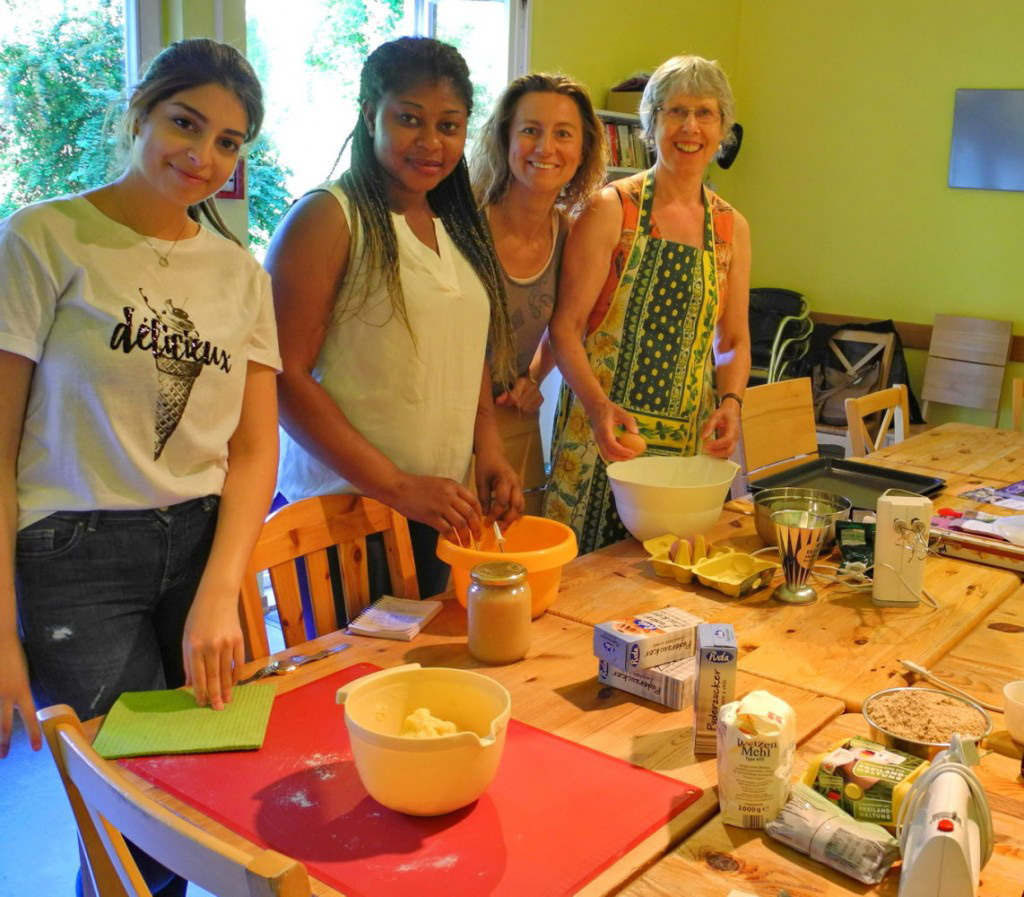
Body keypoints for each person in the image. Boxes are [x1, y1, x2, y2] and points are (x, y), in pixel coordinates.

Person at [0, 37, 278, 894]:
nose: (203, 156)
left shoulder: (239, 273)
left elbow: (254, 448)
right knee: (138, 825)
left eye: (229, 142)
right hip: (75, 556)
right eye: (184, 124)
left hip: (199, 543)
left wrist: (220, 589)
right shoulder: (45, 236)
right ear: (138, 114)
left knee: (204, 801)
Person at [266, 36, 523, 599]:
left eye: (450, 126)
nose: (430, 142)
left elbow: (465, 351)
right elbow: (282, 376)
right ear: (368, 114)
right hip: (341, 516)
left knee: (428, 678)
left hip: (437, 509)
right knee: (349, 683)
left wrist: (490, 450)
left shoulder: (459, 225)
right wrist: (397, 486)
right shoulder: (329, 217)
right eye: (410, 119)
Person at [545, 54, 752, 553]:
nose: (690, 127)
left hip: (685, 446)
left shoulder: (731, 228)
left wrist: (731, 404)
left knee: (664, 591)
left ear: (722, 128)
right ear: (650, 122)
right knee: (583, 581)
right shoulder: (610, 209)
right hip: (602, 440)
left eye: (705, 113)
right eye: (675, 111)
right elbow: (565, 329)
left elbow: (734, 340)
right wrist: (597, 409)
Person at [470, 73, 607, 515]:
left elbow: (566, 325)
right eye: (531, 131)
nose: (545, 148)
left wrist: (532, 375)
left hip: (511, 422)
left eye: (563, 134)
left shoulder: (569, 234)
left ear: (582, 150)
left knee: (515, 565)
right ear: (505, 138)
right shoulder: (464, 223)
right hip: (442, 424)